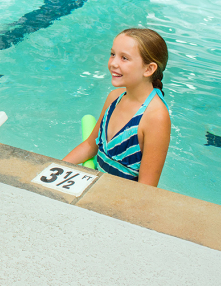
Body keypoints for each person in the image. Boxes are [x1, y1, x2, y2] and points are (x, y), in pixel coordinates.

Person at [64, 28, 171, 186]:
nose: (113, 63)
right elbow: (89, 146)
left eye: (124, 58)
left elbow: (146, 189)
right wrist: (54, 168)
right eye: (113, 54)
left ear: (148, 69)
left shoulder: (155, 118)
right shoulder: (114, 98)